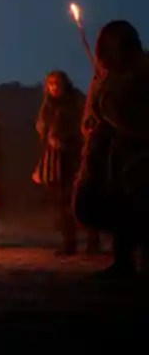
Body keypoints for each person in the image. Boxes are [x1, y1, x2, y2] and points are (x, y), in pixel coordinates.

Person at [74, 20, 149, 278]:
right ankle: (123, 262)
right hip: (115, 160)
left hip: (136, 158)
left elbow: (130, 117)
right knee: (123, 210)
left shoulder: (138, 74)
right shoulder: (108, 78)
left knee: (138, 207)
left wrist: (109, 107)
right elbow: (96, 115)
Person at [33, 70, 101, 255]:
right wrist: (40, 164)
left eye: (57, 83)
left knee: (81, 200)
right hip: (54, 161)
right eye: (50, 84)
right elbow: (43, 135)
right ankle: (69, 242)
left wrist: (67, 140)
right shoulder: (47, 107)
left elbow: (87, 126)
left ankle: (92, 242)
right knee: (61, 203)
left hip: (75, 157)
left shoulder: (77, 102)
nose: (54, 87)